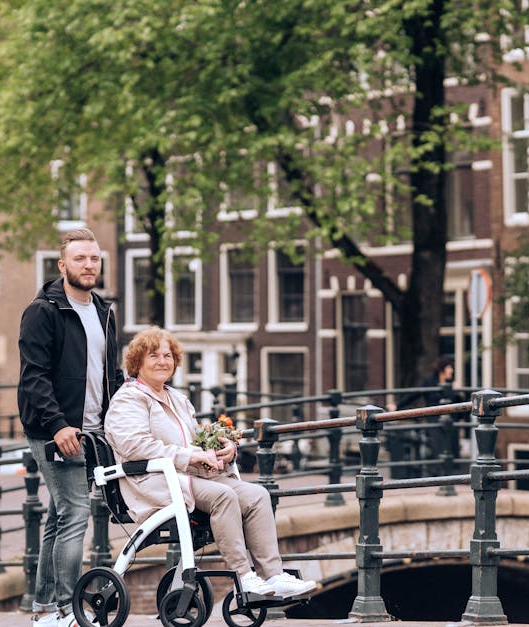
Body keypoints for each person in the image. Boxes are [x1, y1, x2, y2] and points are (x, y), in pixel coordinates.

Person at [104, 326, 317, 598]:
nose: (162, 361)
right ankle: (244, 577)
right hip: (153, 481)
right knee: (224, 496)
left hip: (190, 476)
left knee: (257, 495)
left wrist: (223, 450)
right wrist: (190, 456)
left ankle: (273, 576)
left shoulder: (177, 399)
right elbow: (134, 445)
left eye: (168, 356)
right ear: (138, 362)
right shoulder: (129, 398)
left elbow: (197, 441)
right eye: (154, 356)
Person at [18, 228, 122, 627]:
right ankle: (67, 607)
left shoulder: (103, 311)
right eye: (80, 258)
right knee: (75, 513)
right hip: (54, 430)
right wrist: (59, 424)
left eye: (94, 258)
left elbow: (108, 373)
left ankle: (44, 608)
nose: (89, 264)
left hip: (92, 430)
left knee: (59, 516)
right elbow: (34, 377)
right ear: (63, 265)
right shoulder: (44, 311)